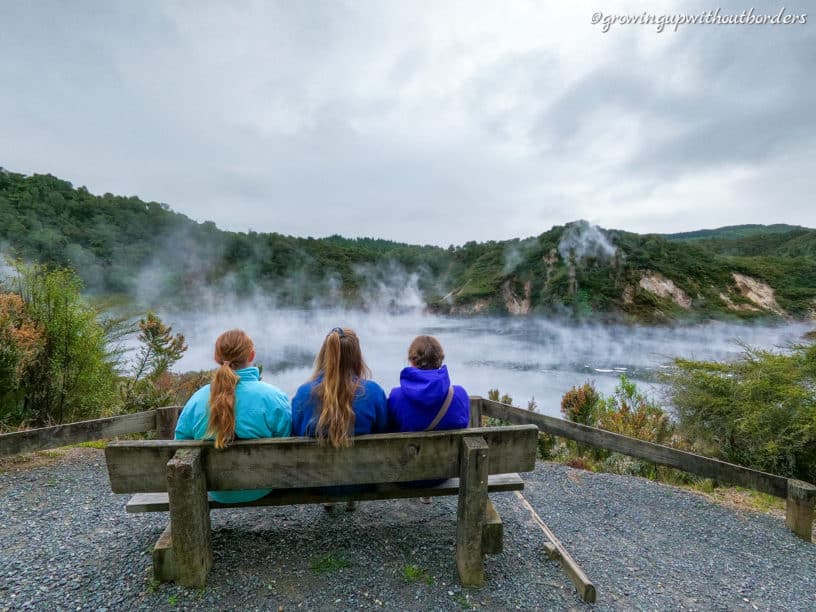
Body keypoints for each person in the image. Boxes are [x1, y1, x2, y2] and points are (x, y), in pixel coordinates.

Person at [174, 329, 291, 503]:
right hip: (263, 485)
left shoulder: (197, 400)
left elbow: (181, 446)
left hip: (215, 488)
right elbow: (286, 444)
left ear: (216, 359)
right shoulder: (274, 397)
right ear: (251, 355)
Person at [291, 327, 387, 509]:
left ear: (324, 354)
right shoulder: (373, 393)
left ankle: (330, 496)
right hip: (362, 481)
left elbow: (295, 432)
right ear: (357, 356)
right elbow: (383, 430)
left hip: (315, 482)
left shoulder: (304, 394)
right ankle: (350, 497)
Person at [387, 335, 470, 500]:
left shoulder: (396, 397)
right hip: (442, 473)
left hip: (404, 474)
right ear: (440, 360)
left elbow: (387, 431)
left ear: (412, 361)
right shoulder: (459, 395)